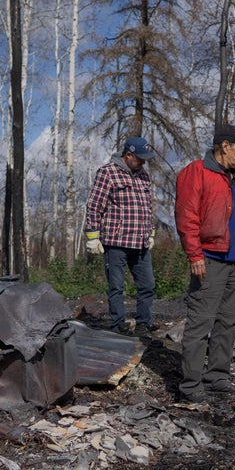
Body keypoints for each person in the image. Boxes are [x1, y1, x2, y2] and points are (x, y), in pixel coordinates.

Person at [173, 124, 235, 401]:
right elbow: (186, 215)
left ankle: (217, 377)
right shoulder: (197, 172)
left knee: (229, 321)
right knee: (200, 323)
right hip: (209, 259)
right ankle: (190, 386)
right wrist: (195, 254)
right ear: (225, 146)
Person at [85, 135, 157, 336]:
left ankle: (144, 323)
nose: (142, 162)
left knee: (147, 284)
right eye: (139, 158)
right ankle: (118, 325)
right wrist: (92, 237)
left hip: (140, 242)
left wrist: (150, 233)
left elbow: (148, 207)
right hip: (116, 241)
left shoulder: (143, 176)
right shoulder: (108, 173)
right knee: (116, 286)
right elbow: (94, 205)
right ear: (128, 155)